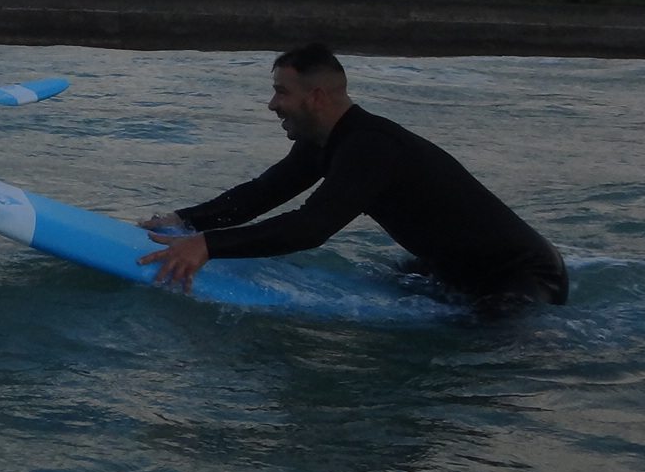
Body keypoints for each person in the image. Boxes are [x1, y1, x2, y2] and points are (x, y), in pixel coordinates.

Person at [136, 43, 568, 315]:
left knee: (493, 363)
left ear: (317, 96)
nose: (272, 105)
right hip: (450, 270)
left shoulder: (371, 146)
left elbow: (312, 227)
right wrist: (180, 221)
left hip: (519, 279)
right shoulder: (324, 142)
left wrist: (208, 246)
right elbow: (263, 193)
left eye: (282, 92)